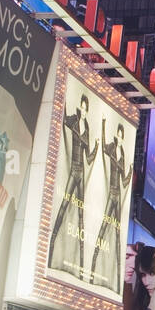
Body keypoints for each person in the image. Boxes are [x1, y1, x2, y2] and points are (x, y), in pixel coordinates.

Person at [47, 92, 99, 275]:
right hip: (74, 170)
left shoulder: (86, 129)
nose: (84, 111)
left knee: (80, 215)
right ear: (80, 108)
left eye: (86, 109)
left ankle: (82, 264)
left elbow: (89, 158)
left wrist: (96, 147)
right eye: (82, 108)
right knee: (63, 207)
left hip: (82, 172)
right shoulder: (75, 120)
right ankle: (50, 247)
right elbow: (63, 120)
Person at [90, 119, 133, 293]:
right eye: (119, 136)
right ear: (116, 137)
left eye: (123, 137)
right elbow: (103, 145)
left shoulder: (122, 156)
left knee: (117, 239)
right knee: (102, 230)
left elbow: (124, 181)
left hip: (118, 195)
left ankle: (116, 283)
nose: (121, 139)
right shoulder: (112, 150)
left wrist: (129, 171)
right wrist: (102, 124)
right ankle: (92, 269)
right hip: (111, 195)